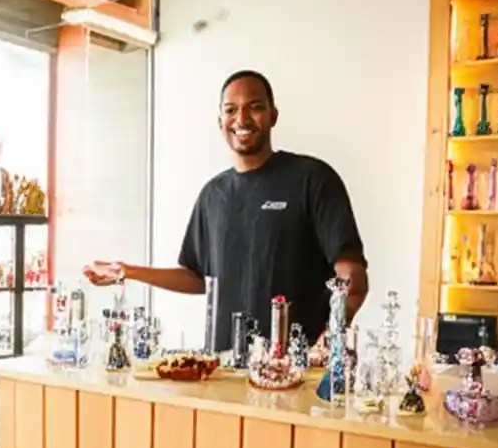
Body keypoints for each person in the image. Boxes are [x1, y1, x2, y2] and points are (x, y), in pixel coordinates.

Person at [84, 70, 369, 350]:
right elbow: (198, 277)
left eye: (255, 107)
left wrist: (330, 340)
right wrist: (129, 271)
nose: (241, 119)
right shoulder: (213, 195)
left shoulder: (312, 179)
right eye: (231, 110)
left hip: (295, 371)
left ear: (273, 115)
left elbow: (351, 276)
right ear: (220, 121)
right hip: (223, 368)